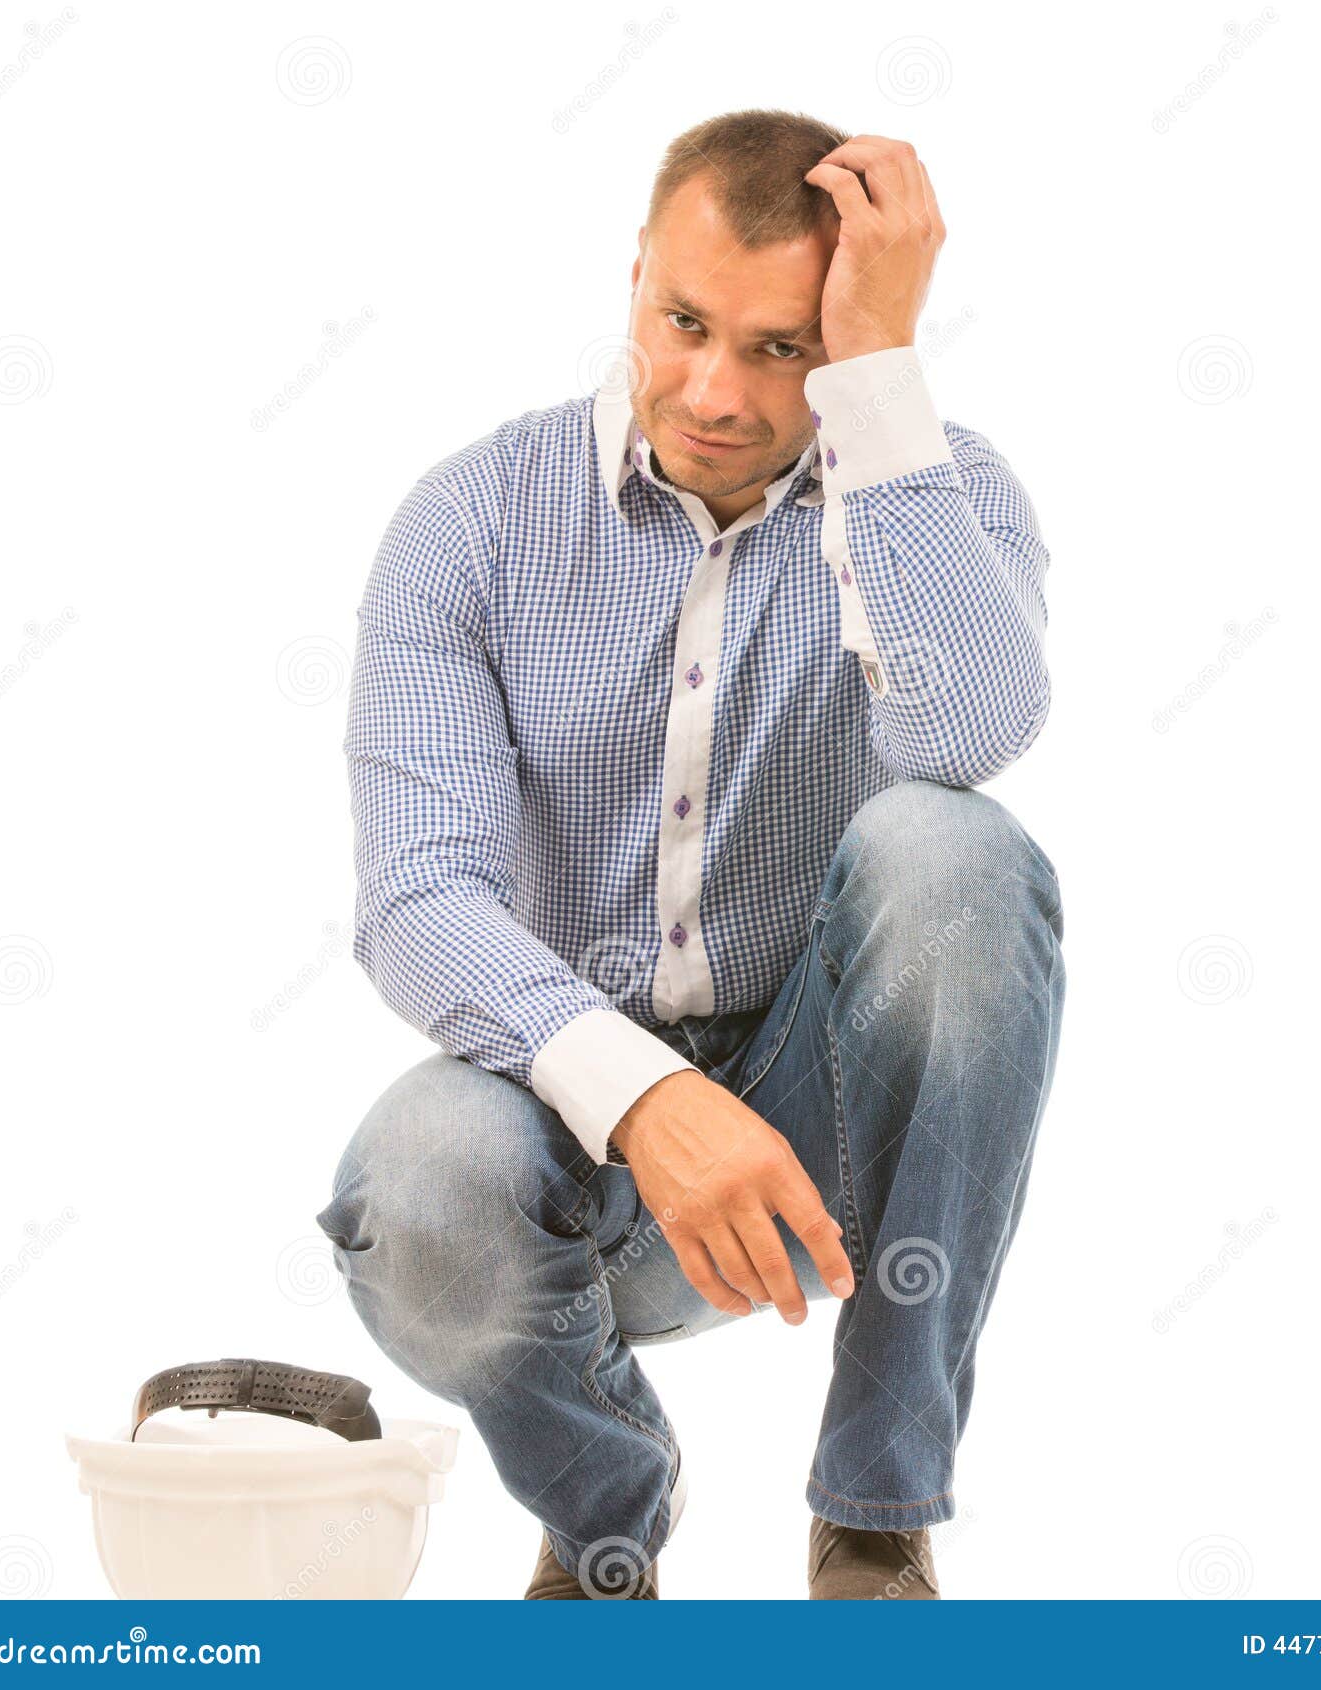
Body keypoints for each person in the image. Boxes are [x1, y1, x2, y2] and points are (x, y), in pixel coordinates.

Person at [314, 107, 1066, 1600]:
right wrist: (644, 1095)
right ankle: (606, 1518)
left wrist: (878, 393)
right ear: (637, 275)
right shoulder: (472, 519)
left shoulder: (941, 486)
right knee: (418, 1176)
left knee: (954, 852)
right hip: (575, 1142)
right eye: (681, 321)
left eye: (782, 348)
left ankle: (876, 1515)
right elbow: (417, 895)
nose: (712, 391)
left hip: (825, 1136)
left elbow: (973, 740)